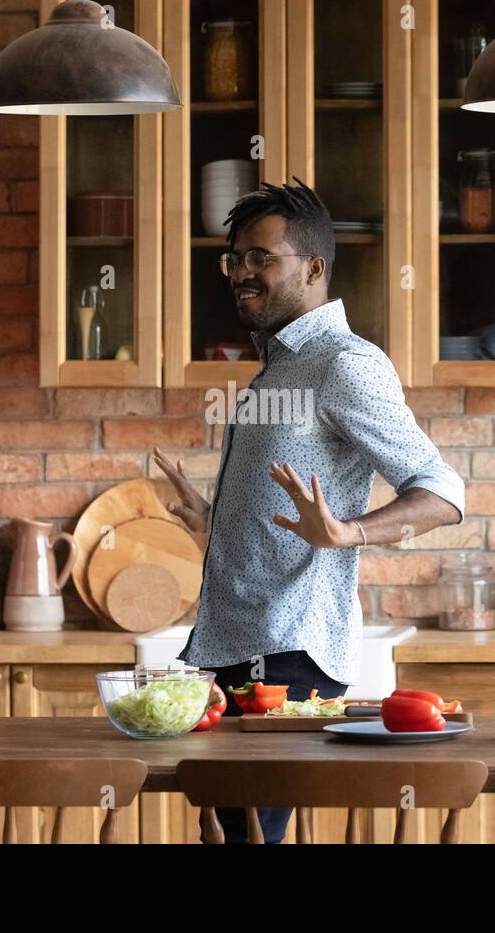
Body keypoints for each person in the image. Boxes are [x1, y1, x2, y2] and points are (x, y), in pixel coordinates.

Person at [153, 178, 464, 843]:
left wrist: (351, 531)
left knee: (245, 837)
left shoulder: (345, 366)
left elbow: (441, 492)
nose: (241, 274)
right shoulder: (278, 367)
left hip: (284, 653)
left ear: (314, 268)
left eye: (261, 259)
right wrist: (213, 521)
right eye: (235, 259)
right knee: (232, 834)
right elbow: (281, 514)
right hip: (239, 646)